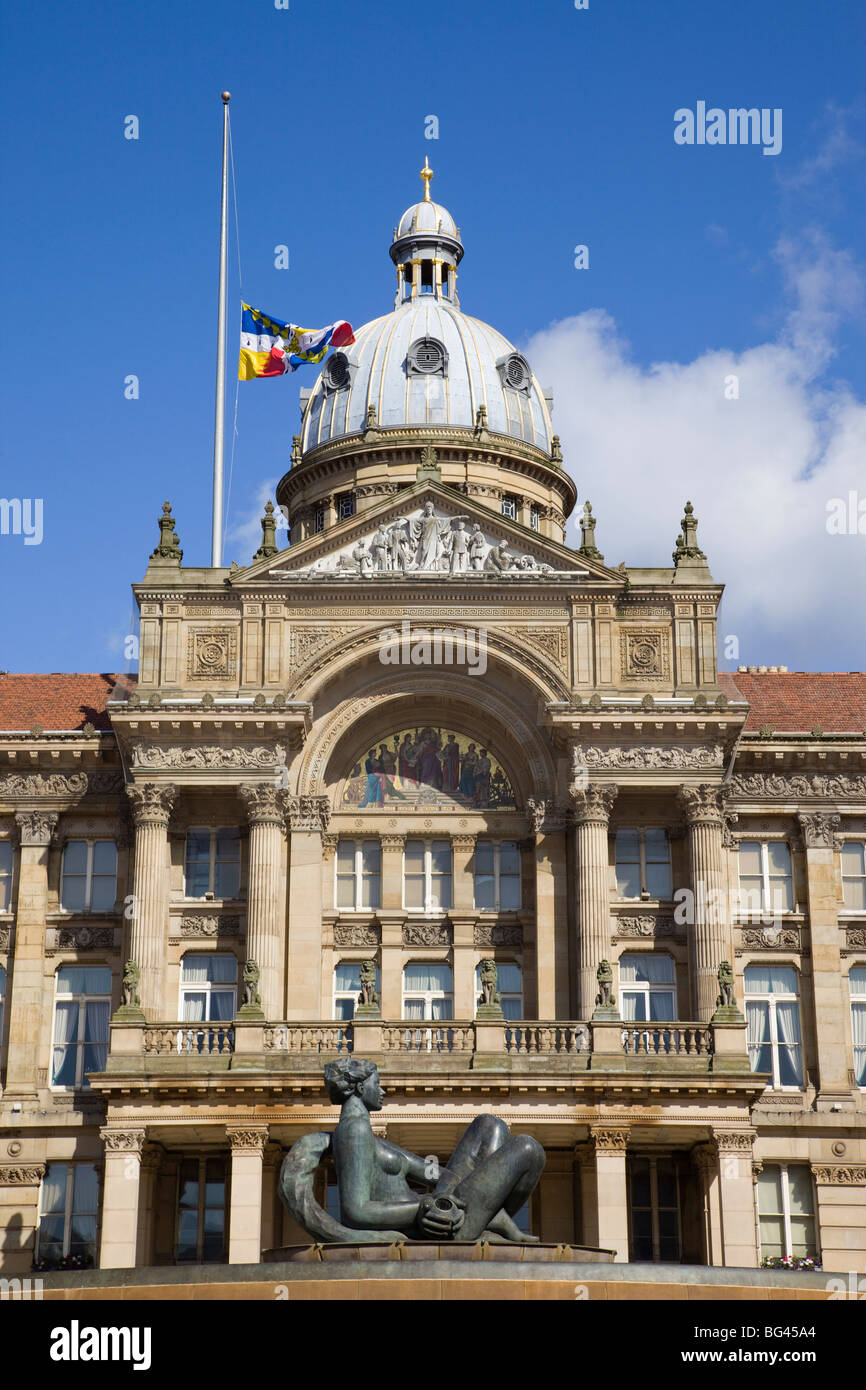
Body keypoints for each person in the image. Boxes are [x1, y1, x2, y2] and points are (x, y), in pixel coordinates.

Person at [324, 1058, 544, 1242]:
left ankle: (491, 1218)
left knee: (489, 1125)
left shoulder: (371, 1136)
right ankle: (492, 1221)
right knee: (528, 1149)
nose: (382, 1091)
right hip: (431, 1227)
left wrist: (440, 1198)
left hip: (440, 1211)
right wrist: (423, 1207)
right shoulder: (354, 1130)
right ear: (361, 1088)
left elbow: (441, 1174)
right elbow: (356, 1211)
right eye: (377, 1084)